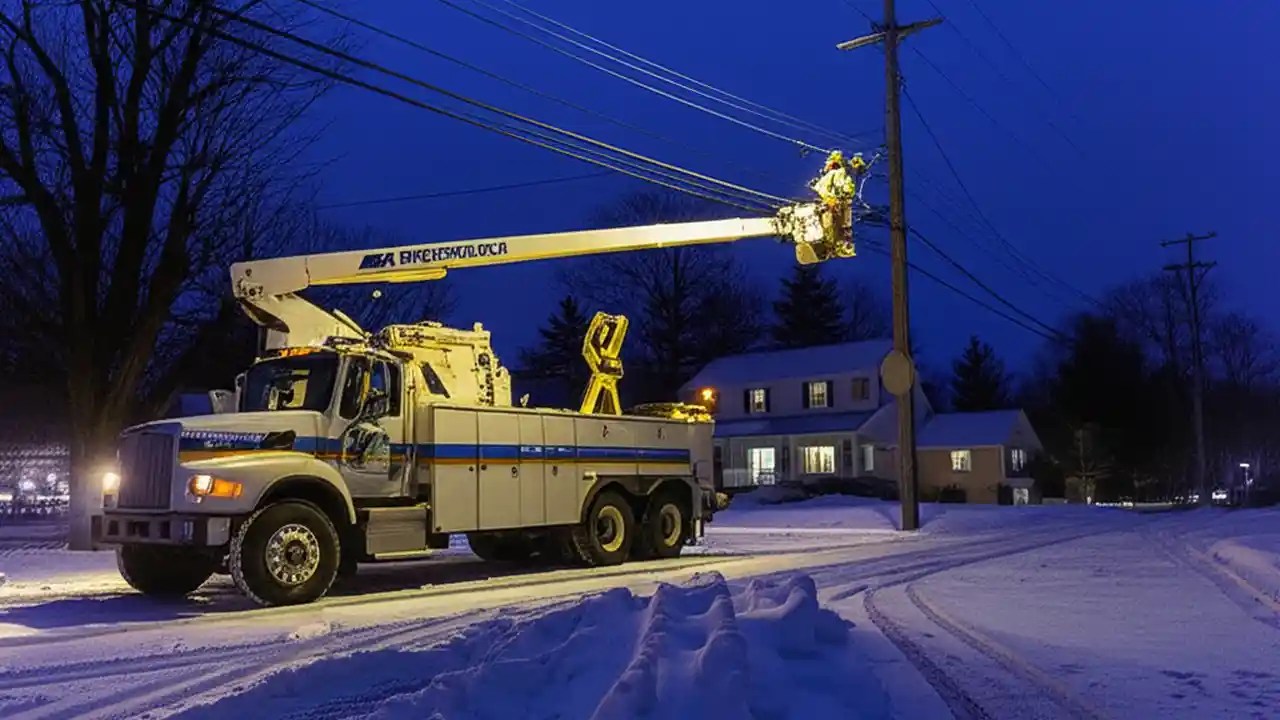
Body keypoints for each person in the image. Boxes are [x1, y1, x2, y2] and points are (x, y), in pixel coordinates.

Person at [810, 151, 859, 257]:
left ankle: (833, 247)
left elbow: (840, 187)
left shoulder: (837, 173)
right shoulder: (835, 174)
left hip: (834, 204)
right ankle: (836, 247)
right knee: (840, 227)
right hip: (835, 204)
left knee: (834, 227)